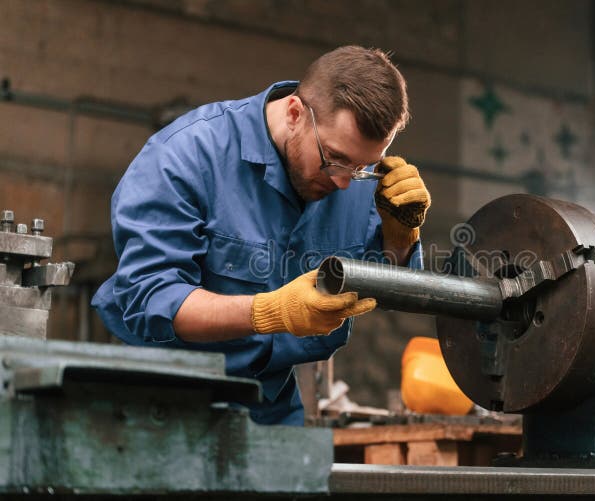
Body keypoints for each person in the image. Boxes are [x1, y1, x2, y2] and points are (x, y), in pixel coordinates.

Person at [91, 46, 430, 425]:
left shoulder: (355, 179)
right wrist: (269, 312)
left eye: (363, 166)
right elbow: (151, 299)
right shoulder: (185, 157)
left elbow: (383, 287)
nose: (343, 181)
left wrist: (399, 235)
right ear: (295, 113)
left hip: (268, 409)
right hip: (159, 405)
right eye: (333, 158)